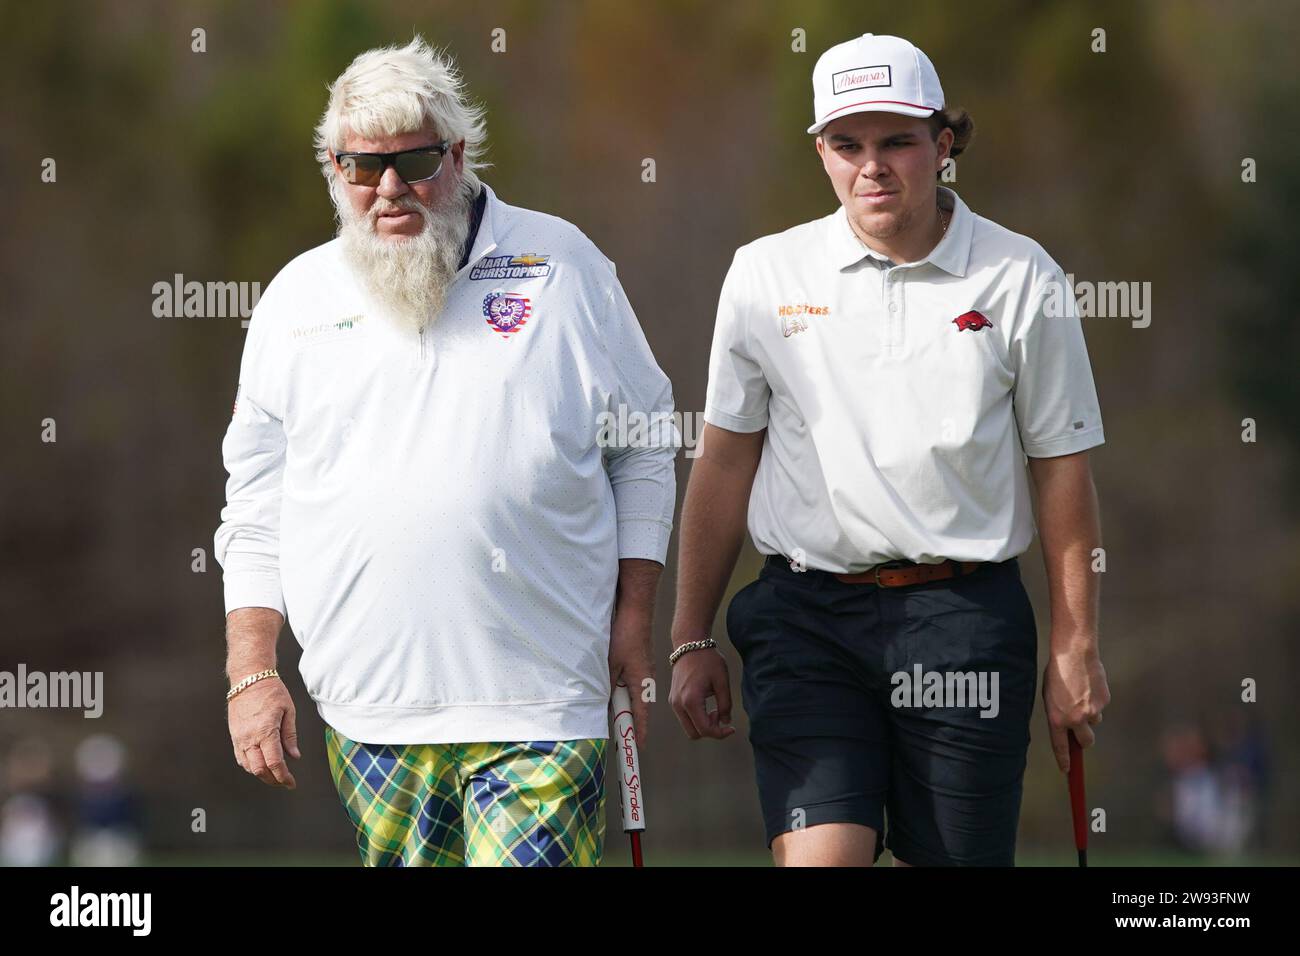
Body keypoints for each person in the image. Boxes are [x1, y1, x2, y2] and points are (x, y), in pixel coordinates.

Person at [214, 37, 677, 867]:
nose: (390, 188)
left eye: (415, 160)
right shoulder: (294, 299)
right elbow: (253, 502)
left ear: (458, 155)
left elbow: (644, 445)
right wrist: (253, 671)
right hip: (370, 714)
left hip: (542, 706)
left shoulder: (563, 265)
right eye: (362, 167)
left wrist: (635, 620)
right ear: (333, 168)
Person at [669, 32, 1110, 866]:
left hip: (964, 620)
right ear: (822, 155)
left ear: (943, 146)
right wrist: (691, 637)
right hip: (807, 621)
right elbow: (726, 461)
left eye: (897, 141)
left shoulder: (1024, 277)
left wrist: (1074, 645)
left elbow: (1061, 470)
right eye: (848, 145)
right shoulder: (764, 275)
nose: (872, 166)